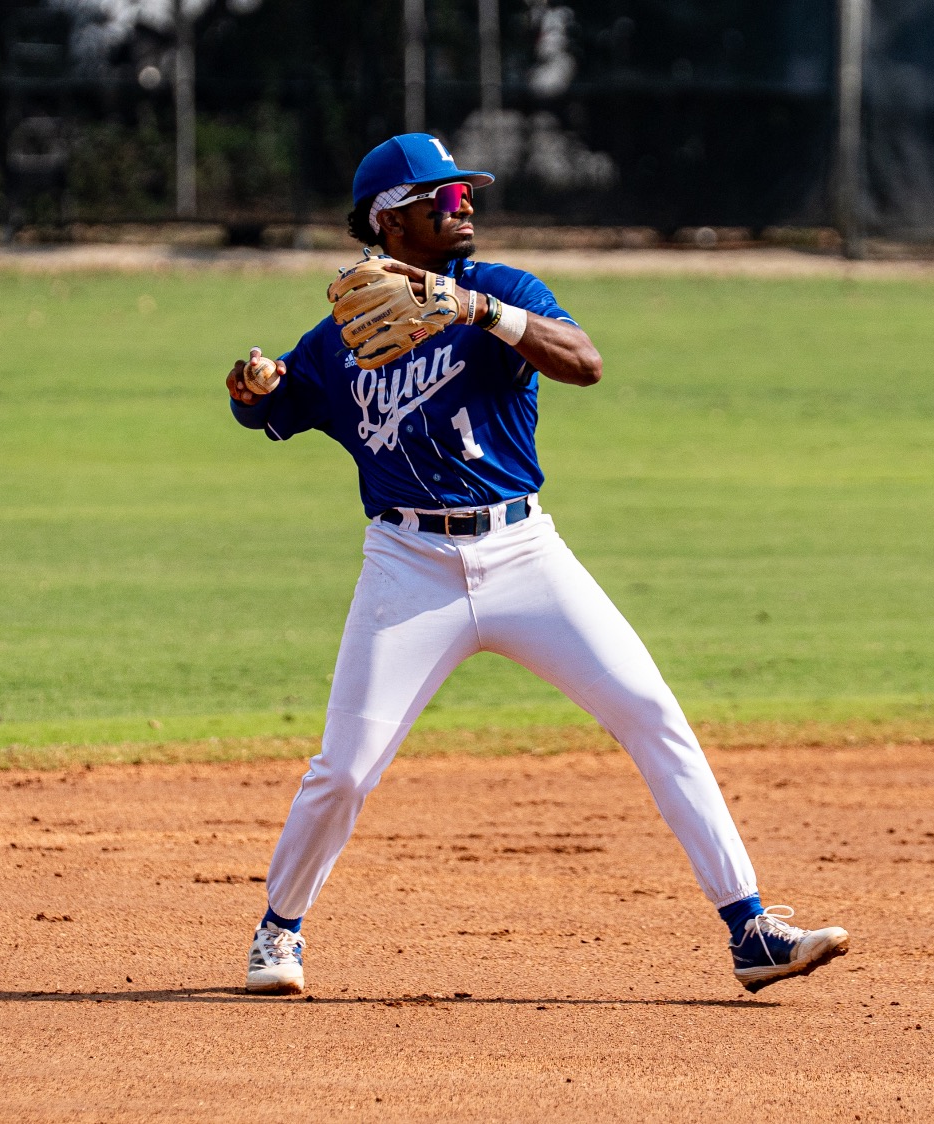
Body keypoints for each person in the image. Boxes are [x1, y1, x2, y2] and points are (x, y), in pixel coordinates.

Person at [225, 134, 848, 995]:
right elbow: (273, 403)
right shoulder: (339, 336)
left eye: (464, 191)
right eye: (441, 196)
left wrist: (476, 312)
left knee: (650, 710)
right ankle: (278, 934)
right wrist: (249, 386)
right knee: (345, 767)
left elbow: (585, 363)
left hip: (524, 554)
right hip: (407, 564)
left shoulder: (501, 291)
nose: (464, 203)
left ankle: (751, 931)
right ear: (389, 220)